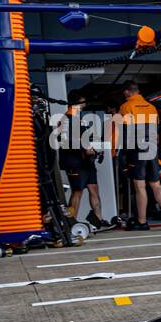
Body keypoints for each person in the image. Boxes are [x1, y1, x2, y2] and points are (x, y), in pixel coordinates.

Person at [118, 82, 161, 230]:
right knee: (155, 183)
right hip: (152, 148)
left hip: (138, 149)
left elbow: (126, 133)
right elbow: (156, 132)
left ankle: (142, 222)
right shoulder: (151, 107)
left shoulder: (126, 106)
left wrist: (124, 155)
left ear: (127, 92)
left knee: (140, 186)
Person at [61, 92, 110, 230]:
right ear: (75, 102)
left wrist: (94, 146)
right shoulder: (66, 118)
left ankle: (98, 220)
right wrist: (84, 148)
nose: (84, 104)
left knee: (94, 189)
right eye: (83, 102)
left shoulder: (79, 117)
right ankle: (70, 223)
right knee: (77, 191)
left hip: (87, 161)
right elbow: (65, 141)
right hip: (74, 162)